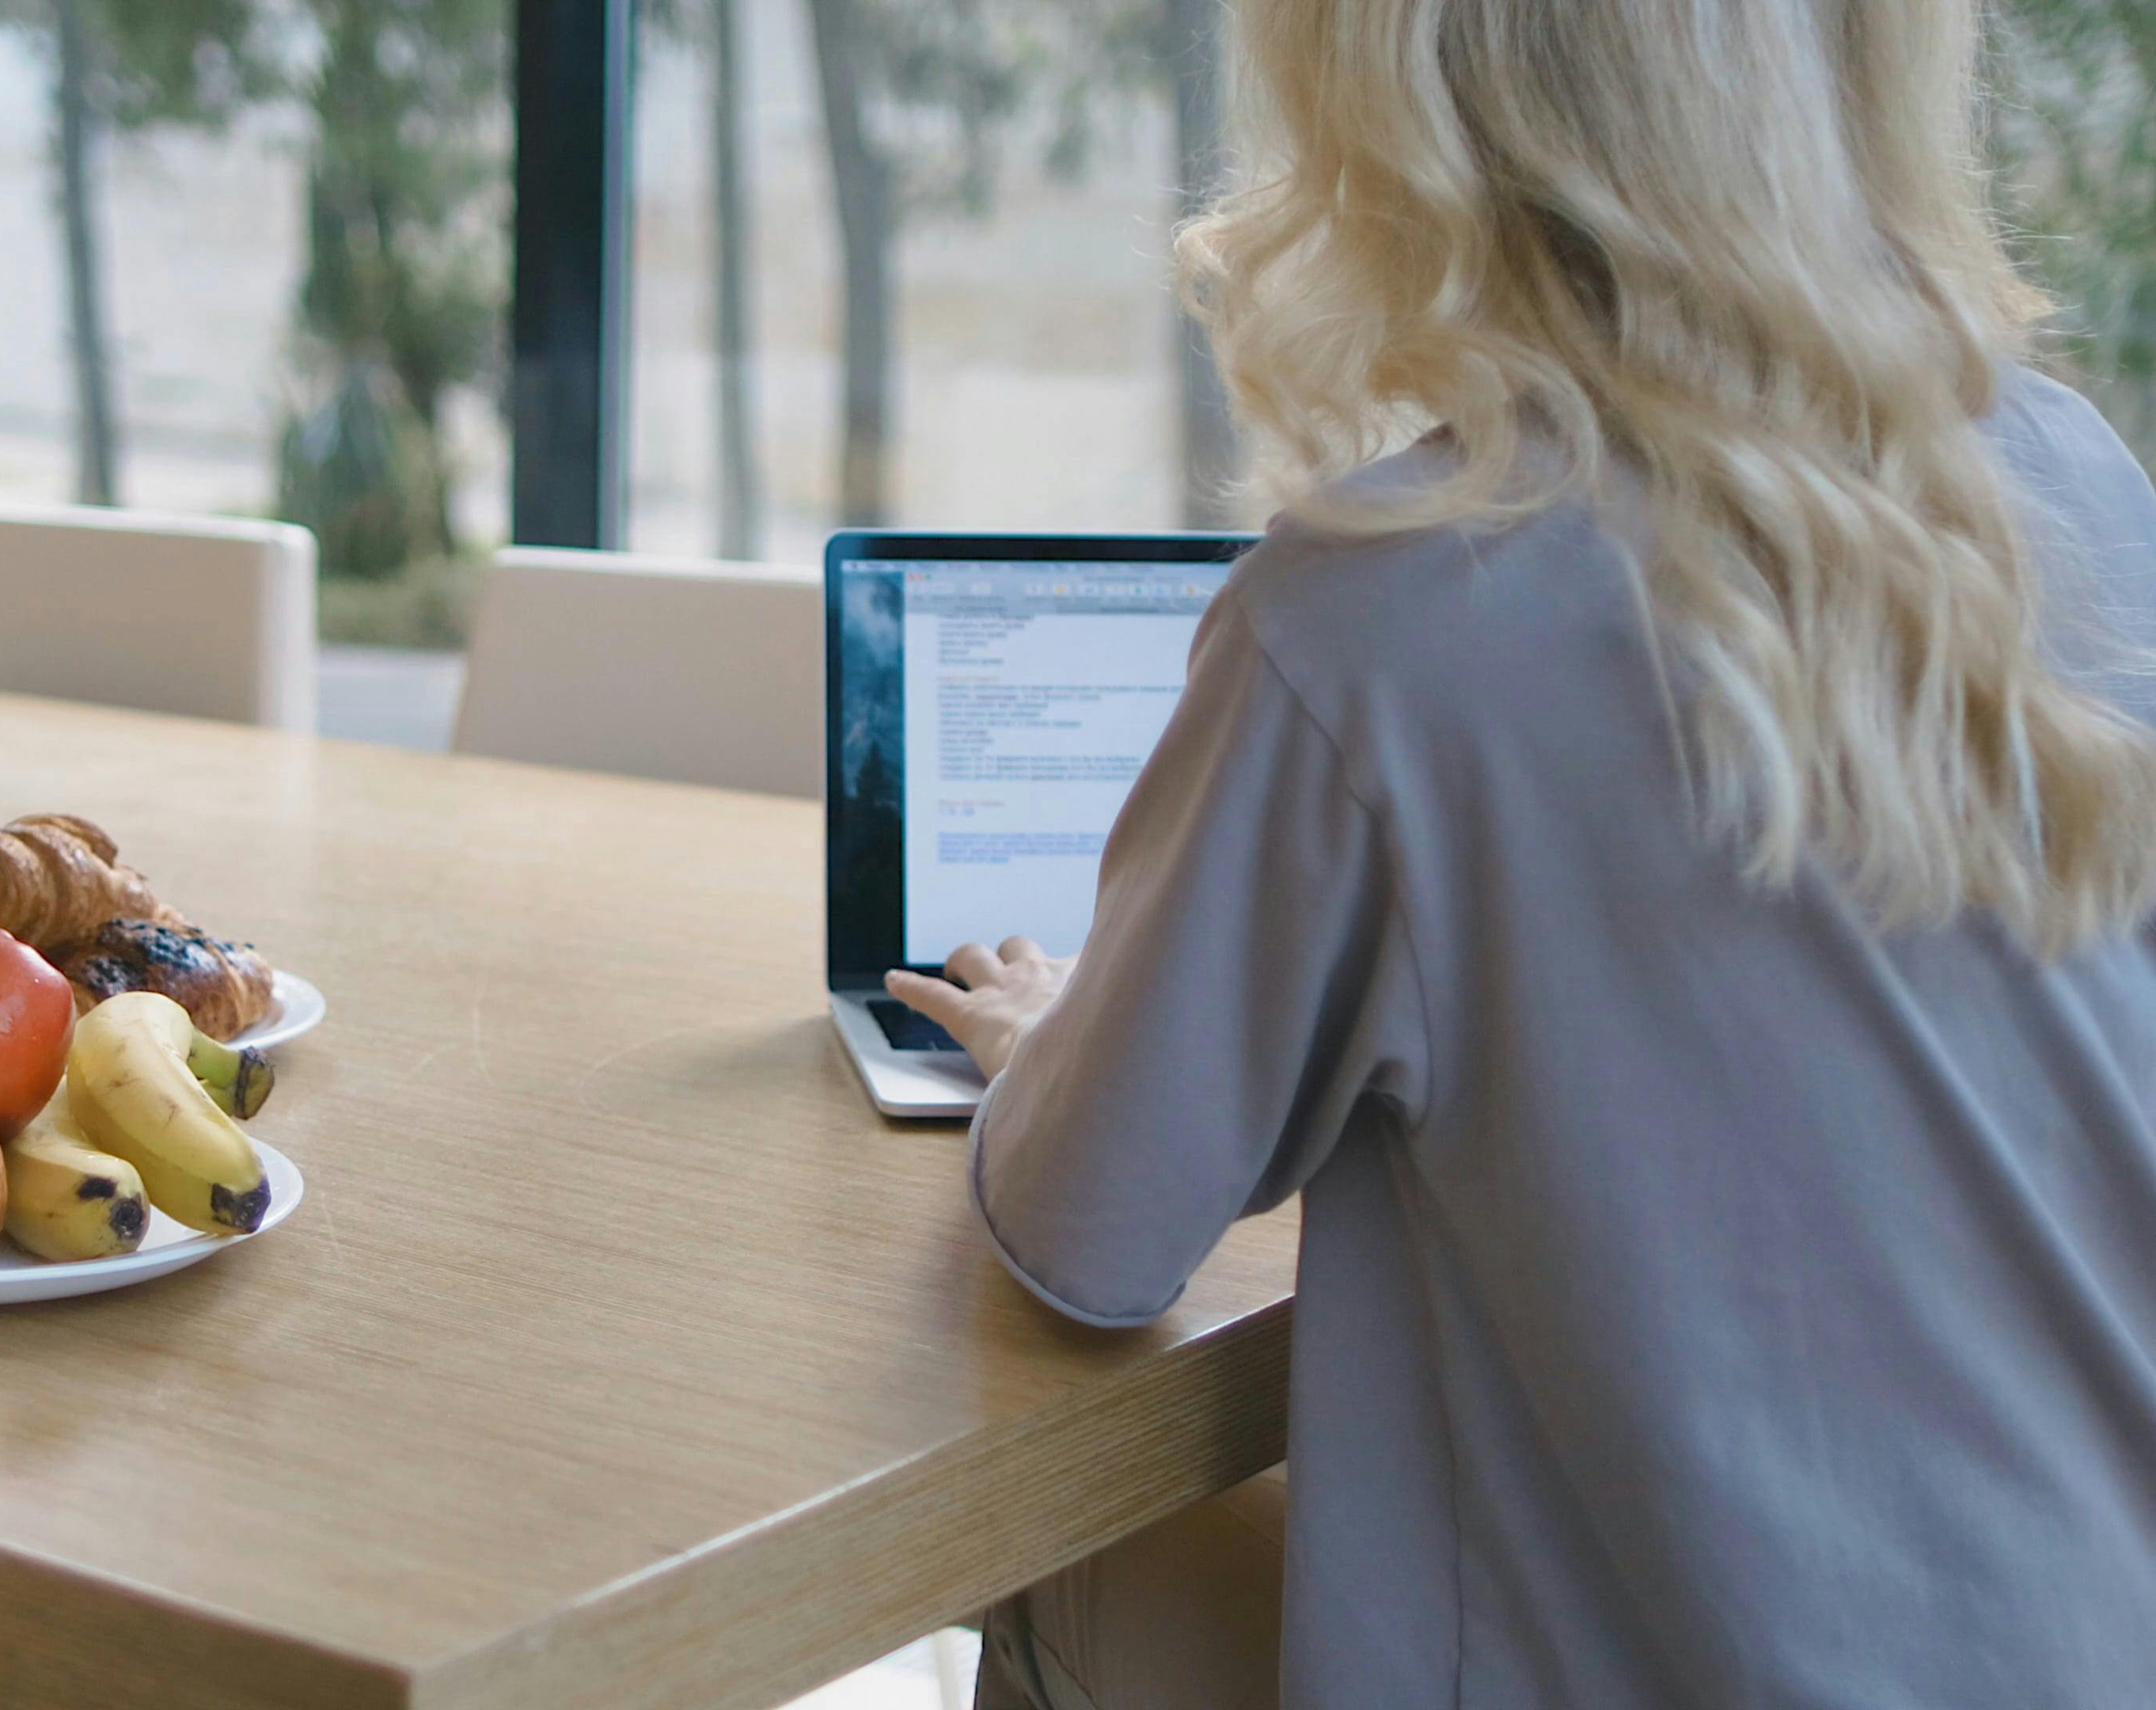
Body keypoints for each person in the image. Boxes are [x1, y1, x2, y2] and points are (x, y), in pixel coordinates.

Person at [886, 0, 2156, 1704]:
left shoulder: (1385, 618)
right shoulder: (2076, 479)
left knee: (1063, 1566)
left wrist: (1061, 1045)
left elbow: (1085, 1245)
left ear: (1391, 97)